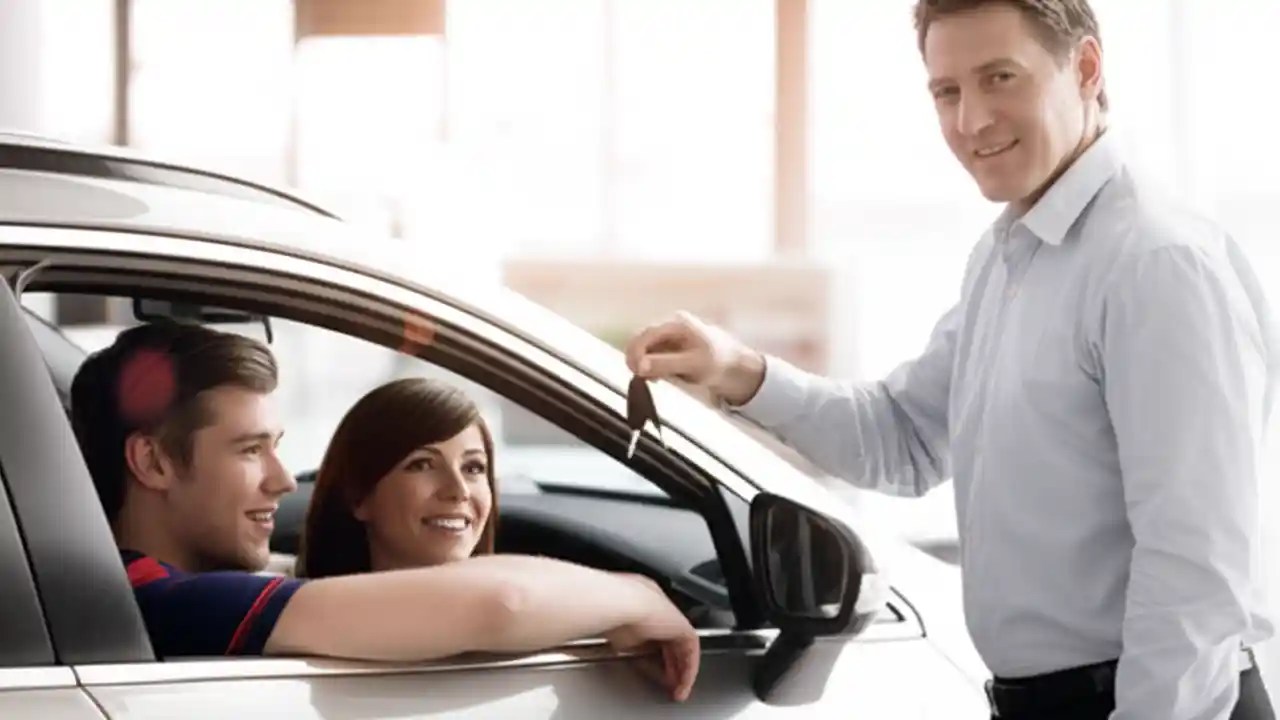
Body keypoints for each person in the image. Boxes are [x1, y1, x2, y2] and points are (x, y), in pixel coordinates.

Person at [625, 1, 1278, 718]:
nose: (971, 121)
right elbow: (903, 440)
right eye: (948, 91)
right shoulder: (1009, 258)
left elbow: (1197, 570)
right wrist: (739, 371)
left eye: (1001, 78)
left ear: (1086, 69)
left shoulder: (1155, 262)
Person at [70, 320, 699, 702]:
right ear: (152, 463)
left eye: (277, 448)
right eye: (249, 450)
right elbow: (500, 604)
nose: (284, 480)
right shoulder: (167, 605)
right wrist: (640, 594)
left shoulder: (142, 590)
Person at [296, 377, 498, 578]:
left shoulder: (514, 602)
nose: (459, 491)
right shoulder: (309, 608)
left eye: (473, 468)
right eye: (422, 465)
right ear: (359, 496)